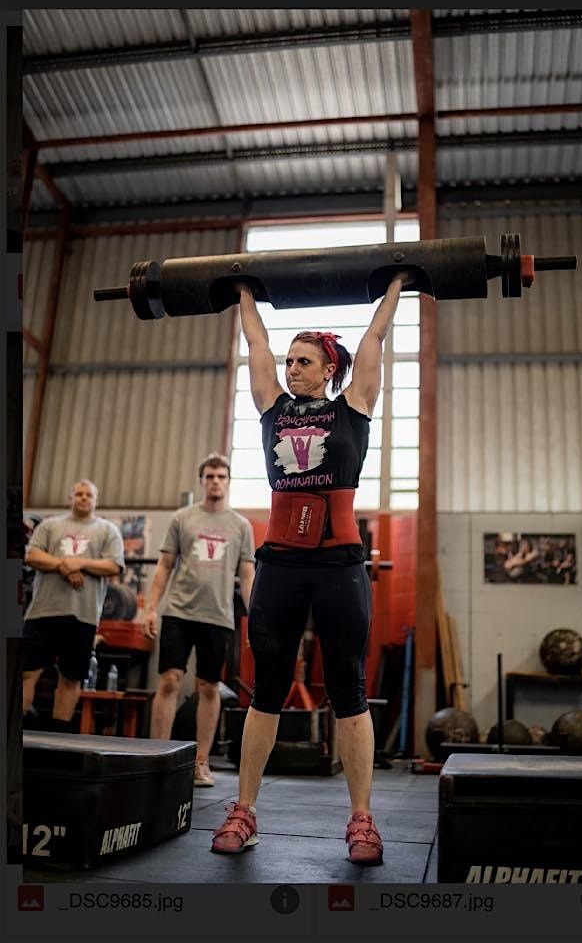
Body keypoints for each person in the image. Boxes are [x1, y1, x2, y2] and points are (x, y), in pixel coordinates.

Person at [211, 272, 411, 865]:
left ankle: (361, 819)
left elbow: (375, 340)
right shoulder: (272, 410)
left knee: (348, 689)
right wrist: (245, 293)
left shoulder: (354, 409)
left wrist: (397, 284)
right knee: (266, 690)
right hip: (280, 563)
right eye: (290, 360)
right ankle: (245, 810)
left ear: (328, 368)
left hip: (340, 564)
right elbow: (255, 347)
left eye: (303, 361)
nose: (291, 368)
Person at [144, 454, 255, 787]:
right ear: (202, 480)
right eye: (210, 476)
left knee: (208, 687)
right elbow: (164, 567)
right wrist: (151, 607)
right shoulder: (183, 519)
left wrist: (255, 620)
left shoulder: (241, 526)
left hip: (218, 616)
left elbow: (247, 575)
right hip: (178, 611)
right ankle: (158, 757)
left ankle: (200, 763)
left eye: (221, 476)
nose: (215, 481)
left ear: (228, 480)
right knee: (169, 681)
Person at [22, 480, 125, 732]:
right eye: (78, 494)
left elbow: (113, 566)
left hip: (83, 616)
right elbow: (32, 556)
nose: (83, 498)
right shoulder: (50, 525)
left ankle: (58, 737)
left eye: (88, 494)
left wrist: (78, 563)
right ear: (71, 498)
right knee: (26, 672)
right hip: (42, 612)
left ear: (95, 500)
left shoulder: (107, 530)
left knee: (70, 677)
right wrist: (64, 566)